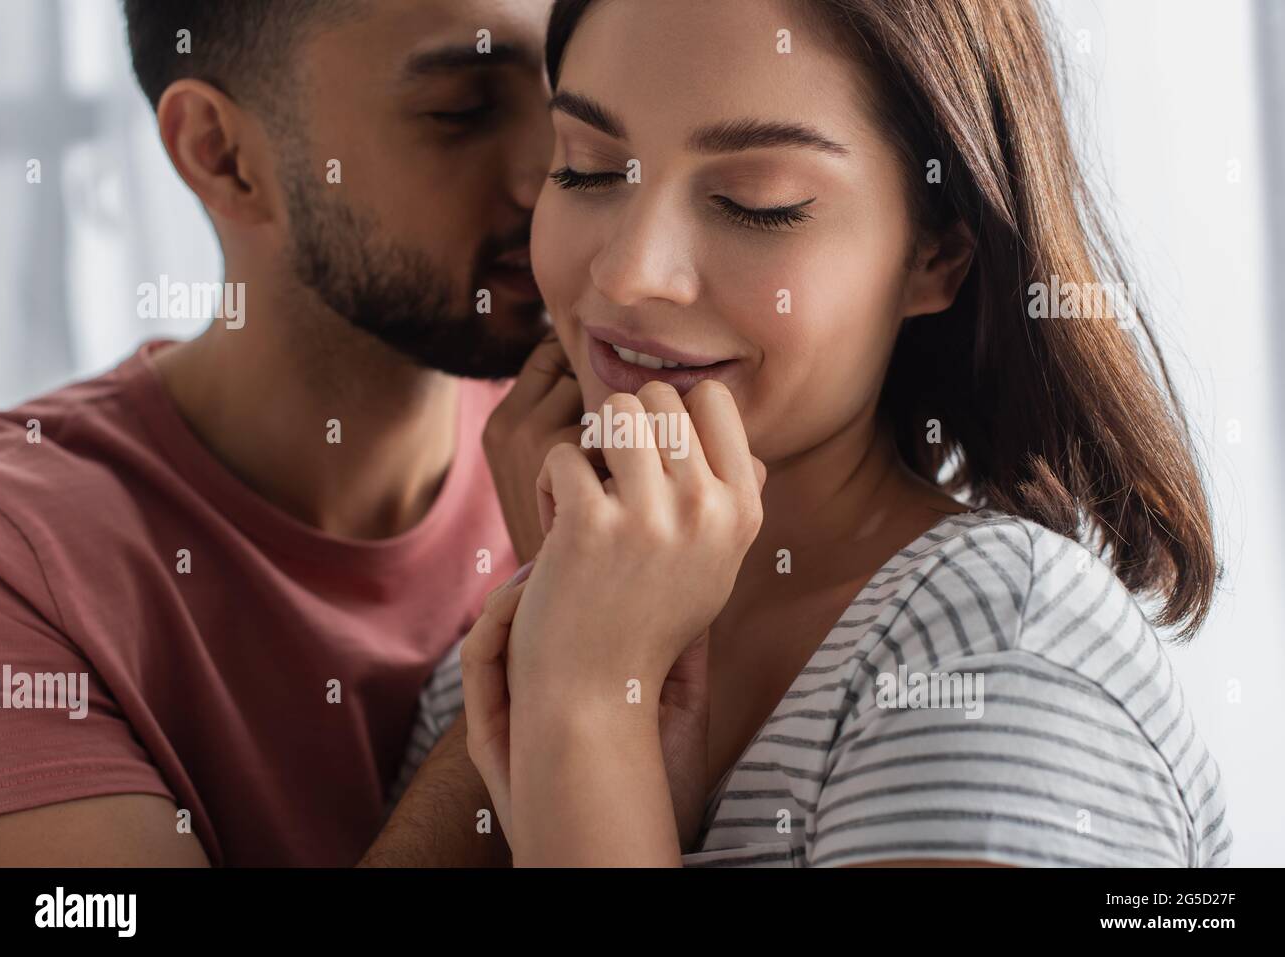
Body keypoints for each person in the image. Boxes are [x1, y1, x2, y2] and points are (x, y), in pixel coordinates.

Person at [401, 0, 1233, 867]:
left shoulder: (997, 656)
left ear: (936, 255)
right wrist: (558, 628)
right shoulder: (476, 668)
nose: (629, 272)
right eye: (587, 169)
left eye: (756, 204)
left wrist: (585, 713)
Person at [0, 0, 556, 866]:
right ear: (222, 155)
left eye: (569, 99)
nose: (555, 176)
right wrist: (558, 642)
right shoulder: (15, 558)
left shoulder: (644, 453)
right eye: (461, 112)